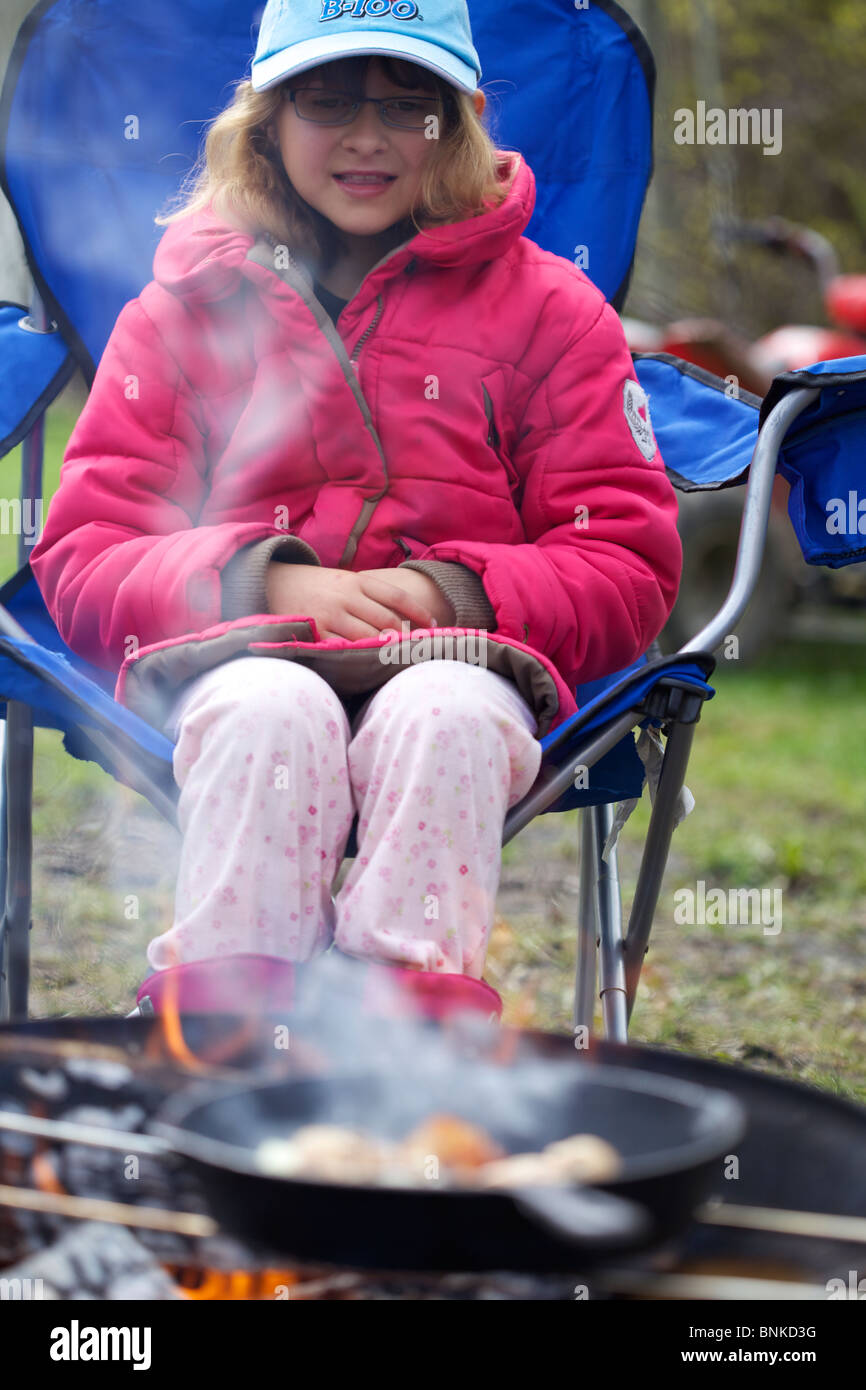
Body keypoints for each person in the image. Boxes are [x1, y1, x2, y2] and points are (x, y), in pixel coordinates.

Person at [30, 0, 682, 1019]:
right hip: (239, 657)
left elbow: (624, 567)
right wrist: (267, 578)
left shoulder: (552, 312)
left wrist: (448, 587)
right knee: (268, 709)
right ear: (264, 126)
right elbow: (87, 554)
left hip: (462, 660)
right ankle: (224, 1029)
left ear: (458, 122)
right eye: (325, 101)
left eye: (404, 104)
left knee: (446, 713)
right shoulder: (183, 312)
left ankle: (400, 1040)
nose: (366, 135)